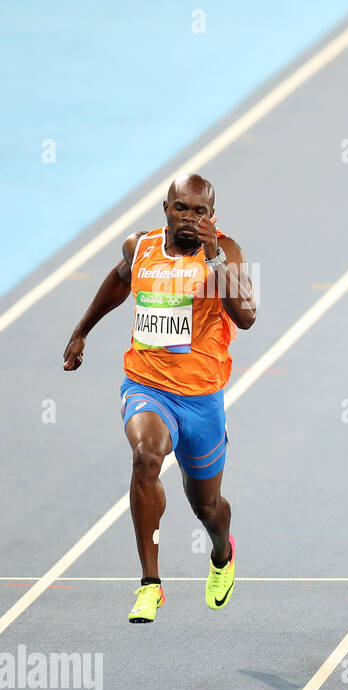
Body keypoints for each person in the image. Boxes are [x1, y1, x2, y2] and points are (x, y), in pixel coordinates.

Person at [62, 174, 257, 622]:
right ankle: (150, 583)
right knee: (146, 457)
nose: (189, 218)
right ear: (165, 208)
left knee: (207, 506)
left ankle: (222, 553)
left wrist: (213, 259)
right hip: (146, 385)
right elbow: (118, 280)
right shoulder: (141, 247)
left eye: (200, 211)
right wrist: (81, 331)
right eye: (181, 209)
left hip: (200, 397)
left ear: (212, 216)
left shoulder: (226, 252)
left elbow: (246, 317)